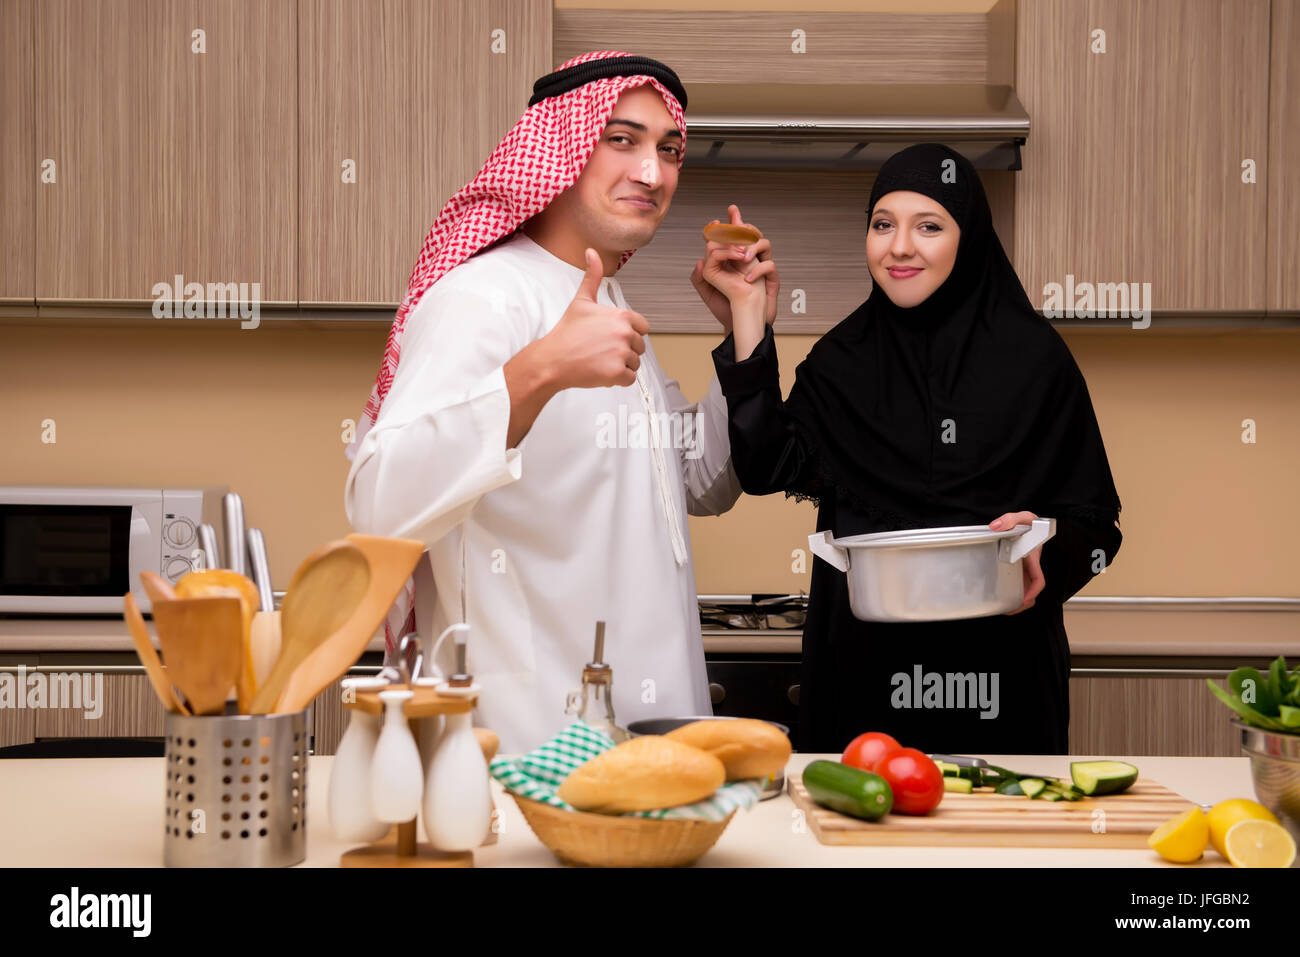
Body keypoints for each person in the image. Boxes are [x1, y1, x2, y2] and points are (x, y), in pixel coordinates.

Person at [343, 52, 778, 752]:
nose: (653, 172)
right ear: (561, 145)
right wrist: (539, 371)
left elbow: (696, 483)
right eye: (622, 139)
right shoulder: (483, 298)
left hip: (655, 744)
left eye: (669, 150)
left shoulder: (602, 298)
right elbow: (378, 504)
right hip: (531, 757)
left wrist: (745, 326)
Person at [710, 143, 1123, 755]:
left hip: (999, 683)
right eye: (883, 225)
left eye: (928, 226)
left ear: (969, 238)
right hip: (860, 685)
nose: (899, 246)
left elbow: (1096, 525)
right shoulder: (842, 361)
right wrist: (748, 319)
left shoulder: (1036, 363)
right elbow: (764, 466)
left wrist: (1047, 550)